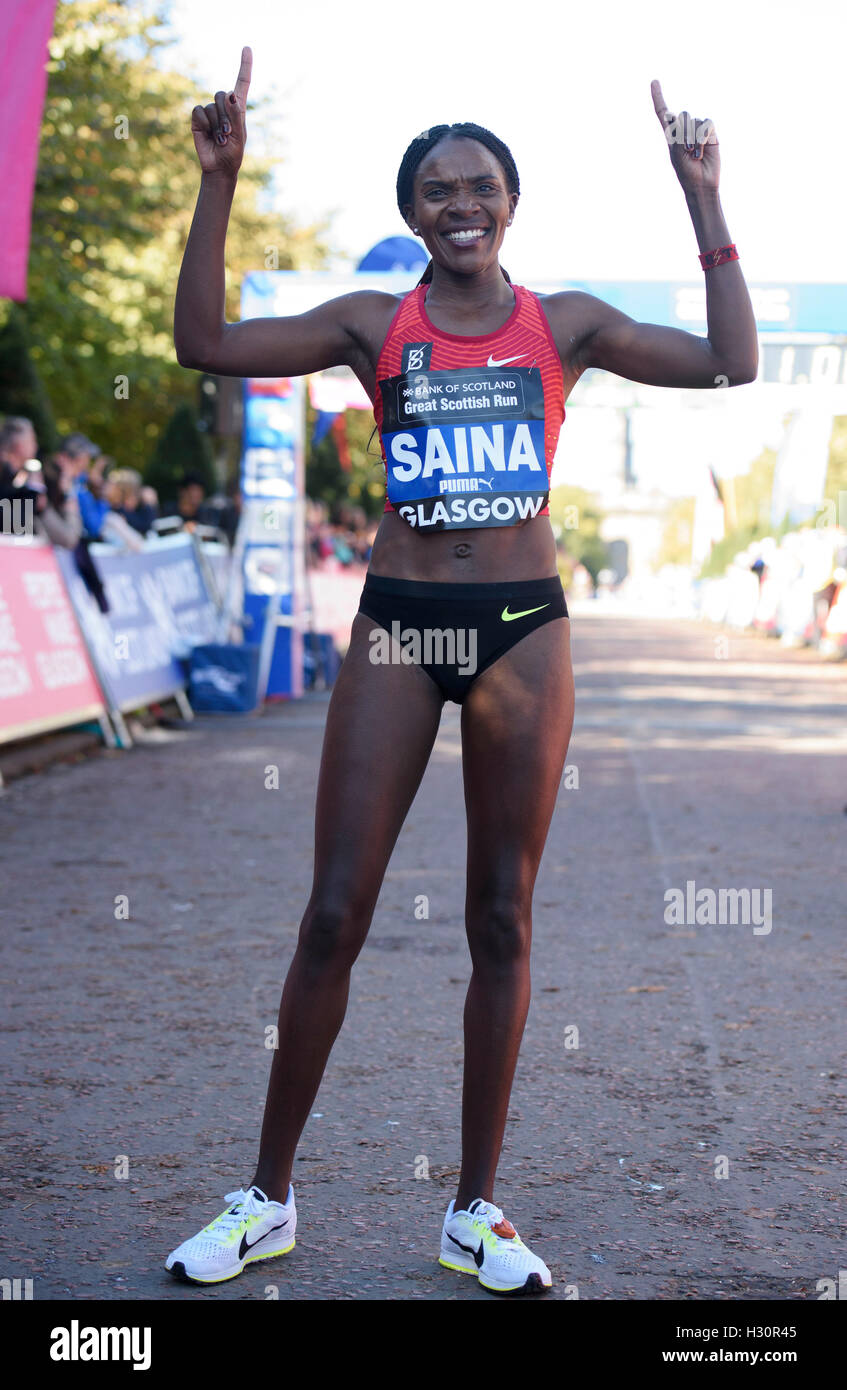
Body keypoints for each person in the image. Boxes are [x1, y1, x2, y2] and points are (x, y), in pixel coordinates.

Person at [166, 48, 758, 1295]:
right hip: (401, 623)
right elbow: (203, 341)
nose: (458, 204)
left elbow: (730, 362)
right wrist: (218, 181)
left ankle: (473, 1210)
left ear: (509, 203)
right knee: (335, 910)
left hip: (521, 630)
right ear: (411, 215)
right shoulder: (374, 325)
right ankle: (265, 1197)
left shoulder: (570, 323)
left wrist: (702, 196)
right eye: (435, 190)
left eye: (478, 185)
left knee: (501, 915)